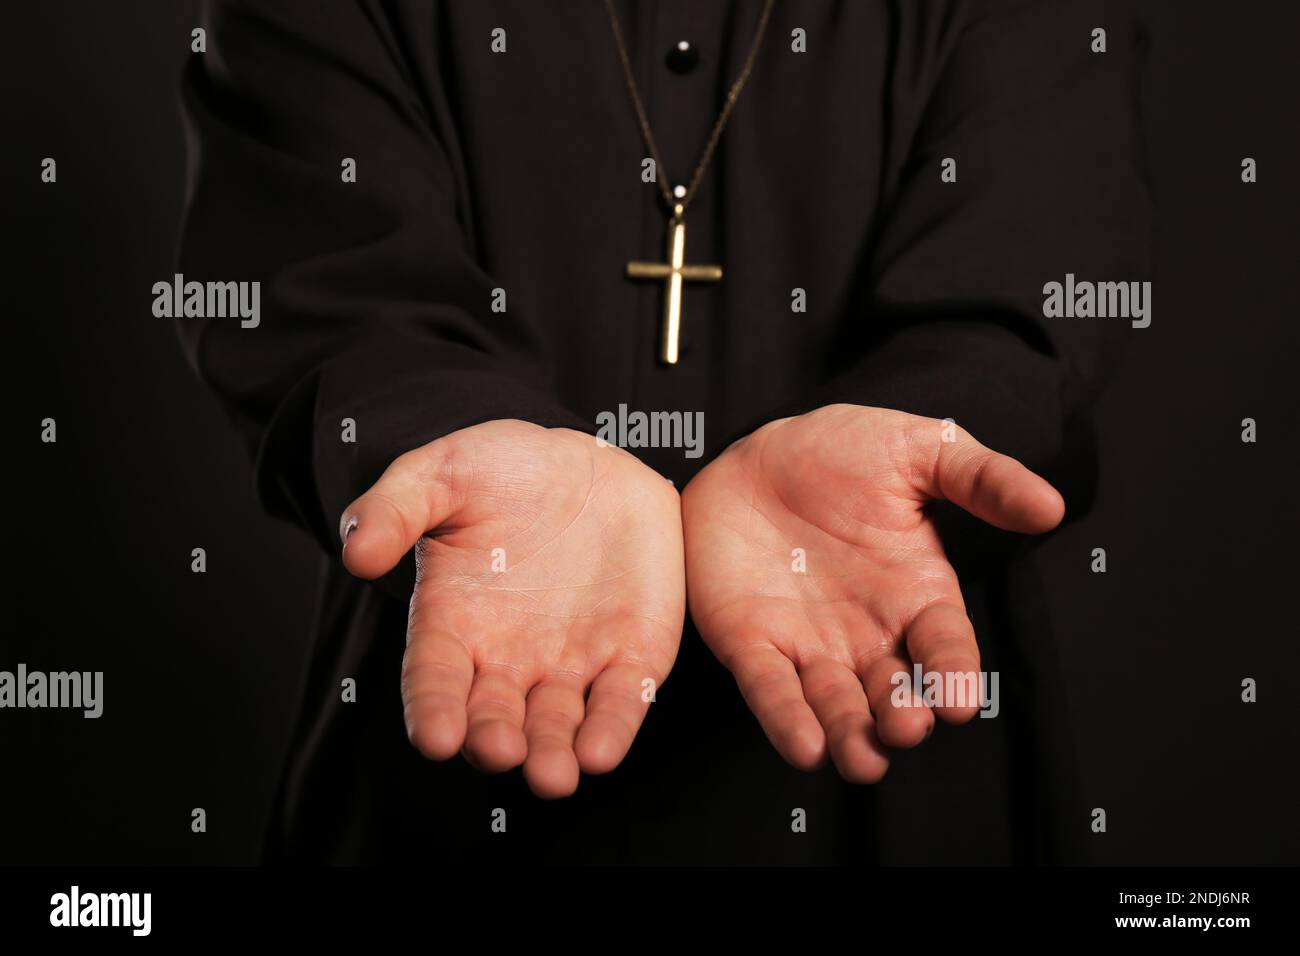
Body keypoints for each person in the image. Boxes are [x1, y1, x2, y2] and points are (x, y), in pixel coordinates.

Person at [177, 0, 1151, 864]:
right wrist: (446, 432)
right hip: (449, 725)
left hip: (897, 728)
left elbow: (1030, 275)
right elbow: (320, 273)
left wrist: (924, 425)